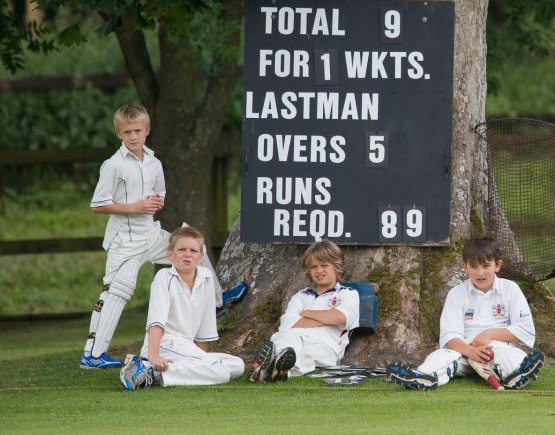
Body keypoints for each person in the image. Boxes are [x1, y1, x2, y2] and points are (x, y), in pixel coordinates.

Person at [81, 103, 247, 369]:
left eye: (137, 130)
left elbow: (161, 194)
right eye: (127, 132)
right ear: (119, 134)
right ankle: (93, 354)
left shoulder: (154, 162)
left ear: (146, 130)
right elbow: (98, 204)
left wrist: (157, 203)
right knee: (118, 291)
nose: (133, 137)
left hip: (152, 233)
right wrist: (135, 207)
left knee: (191, 248)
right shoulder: (113, 165)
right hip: (125, 240)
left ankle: (216, 302)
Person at [386, 235, 545, 391]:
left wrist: (488, 334)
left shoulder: (510, 289)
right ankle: (423, 377)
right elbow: (450, 336)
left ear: (497, 265)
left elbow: (524, 329)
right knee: (442, 356)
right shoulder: (456, 294)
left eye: (485, 266)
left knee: (510, 356)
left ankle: (517, 377)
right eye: (474, 266)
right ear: (465, 267)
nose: (479, 273)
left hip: (496, 348)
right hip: (463, 352)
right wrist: (471, 352)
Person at [119, 225, 245, 390]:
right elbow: (156, 321)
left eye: (193, 251)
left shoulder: (206, 279)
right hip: (165, 344)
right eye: (181, 249)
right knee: (220, 371)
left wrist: (200, 362)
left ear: (201, 256)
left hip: (186, 348)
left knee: (238, 366)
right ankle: (149, 367)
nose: (187, 254)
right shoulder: (163, 277)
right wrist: (154, 355)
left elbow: (204, 331)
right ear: (170, 254)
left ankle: (151, 372)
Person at [248, 240, 360, 382]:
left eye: (324, 265)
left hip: (326, 346)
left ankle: (269, 370)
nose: (319, 271)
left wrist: (307, 314)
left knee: (306, 354)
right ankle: (275, 369)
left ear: (336, 267)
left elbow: (341, 318)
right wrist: (326, 318)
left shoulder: (347, 294)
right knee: (285, 339)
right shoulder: (301, 296)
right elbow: (287, 325)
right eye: (314, 267)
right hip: (295, 337)